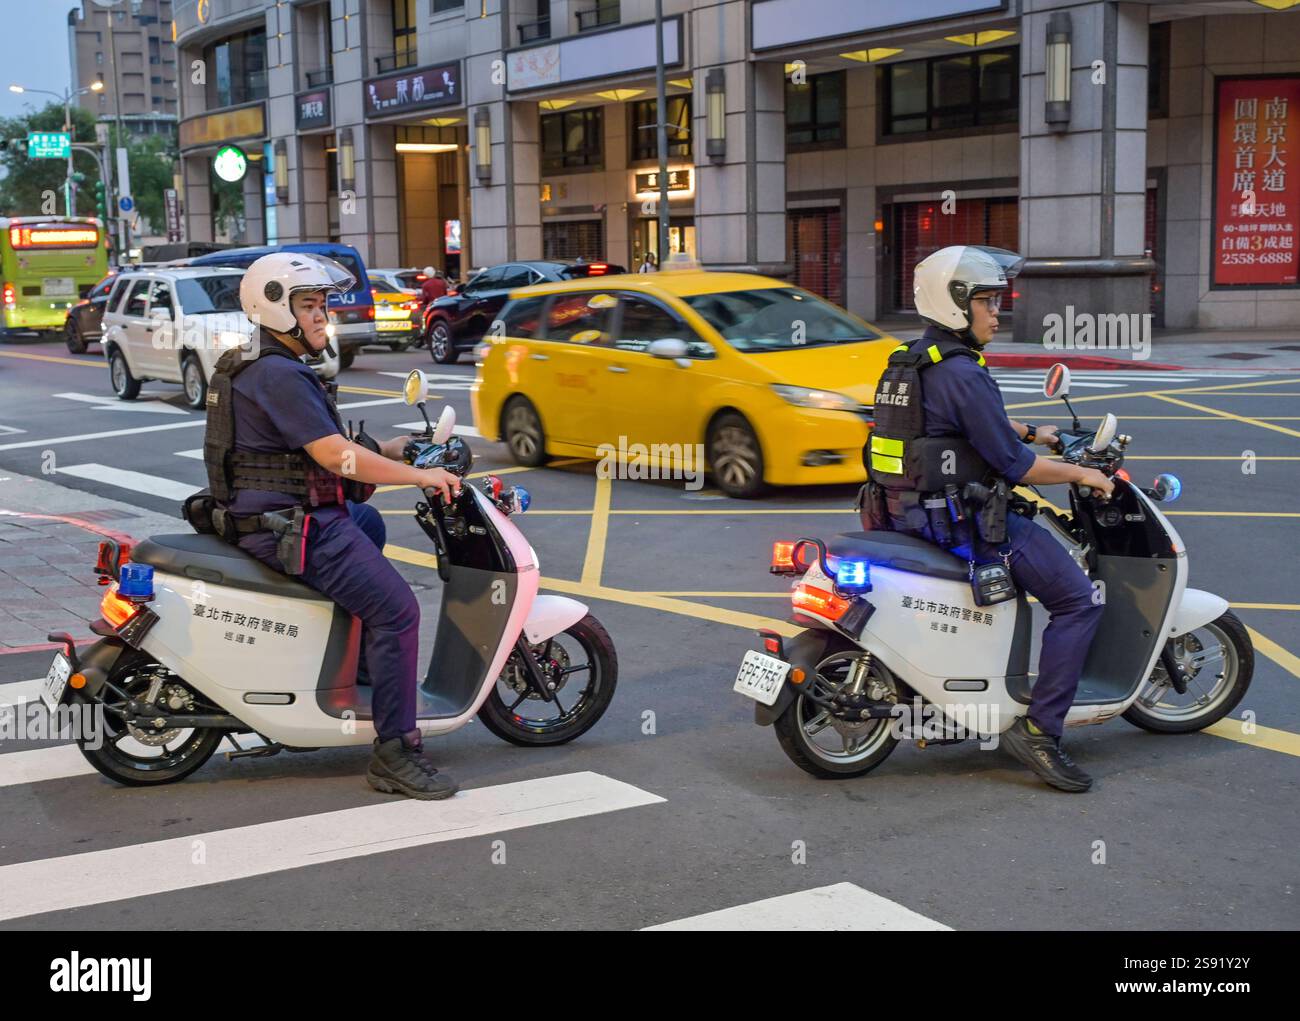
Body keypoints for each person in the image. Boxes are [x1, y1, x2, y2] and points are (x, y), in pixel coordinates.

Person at [203, 252, 463, 800]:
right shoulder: (279, 373)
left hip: (273, 512)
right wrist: (419, 476)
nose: (323, 317)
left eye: (323, 305)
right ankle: (396, 752)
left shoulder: (265, 363)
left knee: (365, 522)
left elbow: (314, 448)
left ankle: (366, 676)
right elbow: (333, 458)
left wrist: (394, 450)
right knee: (398, 610)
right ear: (276, 310)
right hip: (287, 525)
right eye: (310, 306)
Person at [865, 245, 1115, 793]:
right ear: (956, 303)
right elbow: (1014, 467)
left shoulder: (909, 360)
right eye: (986, 300)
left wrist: (1031, 429)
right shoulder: (962, 370)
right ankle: (1041, 732)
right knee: (1077, 600)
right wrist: (1083, 476)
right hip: (964, 525)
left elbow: (949, 428)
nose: (997, 312)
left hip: (901, 515)